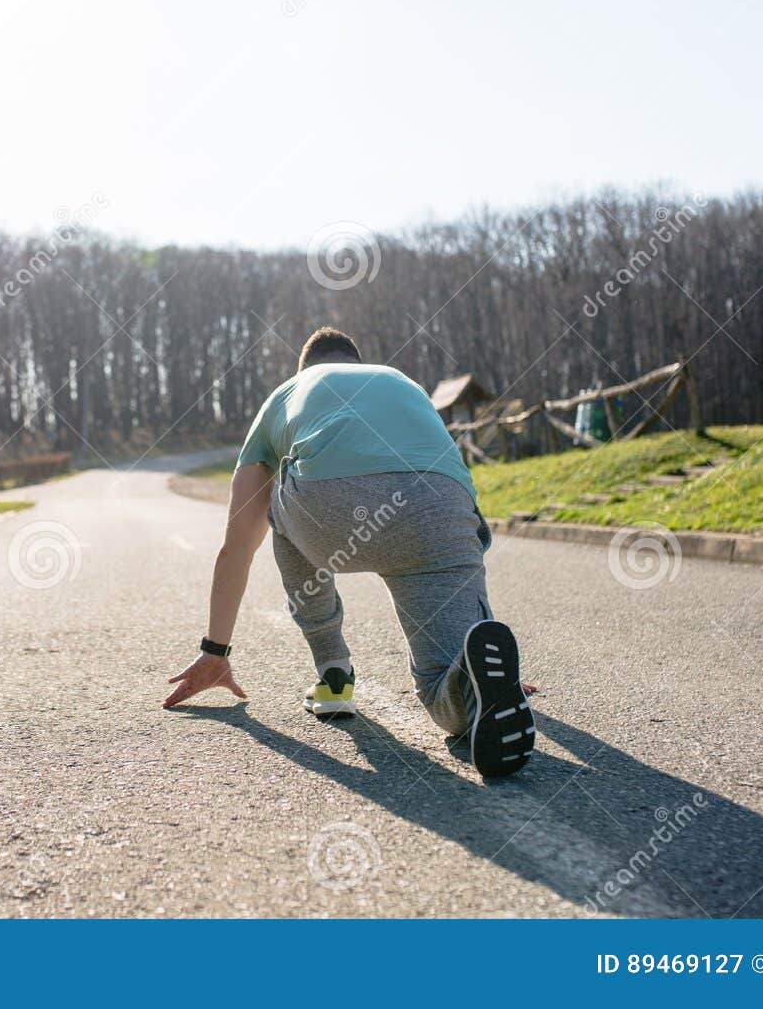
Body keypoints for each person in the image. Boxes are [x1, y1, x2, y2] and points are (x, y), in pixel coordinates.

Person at [163, 326, 535, 777]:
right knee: (440, 690)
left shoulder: (286, 393)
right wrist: (475, 628)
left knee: (273, 506)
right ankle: (468, 680)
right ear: (357, 364)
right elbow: (466, 528)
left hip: (332, 516)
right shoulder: (400, 381)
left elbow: (237, 544)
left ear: (304, 369)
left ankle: (334, 674)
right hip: (441, 506)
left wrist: (214, 651)